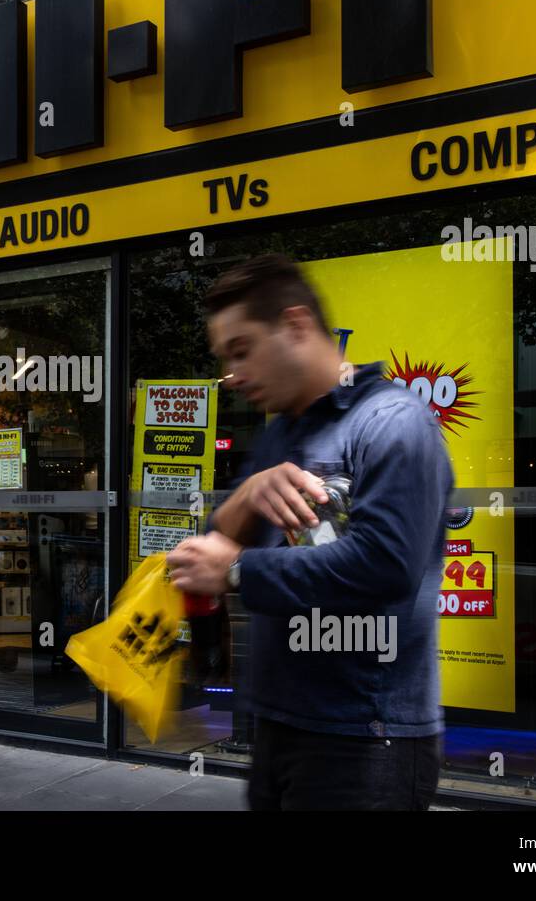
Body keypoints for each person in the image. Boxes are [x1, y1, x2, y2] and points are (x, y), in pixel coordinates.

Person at [166, 254, 453, 811]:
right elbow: (223, 535)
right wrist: (247, 496)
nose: (234, 375)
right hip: (281, 726)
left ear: (296, 326)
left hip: (365, 739)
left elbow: (384, 565)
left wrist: (232, 572)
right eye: (225, 359)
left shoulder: (392, 422)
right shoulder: (281, 433)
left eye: (241, 350)